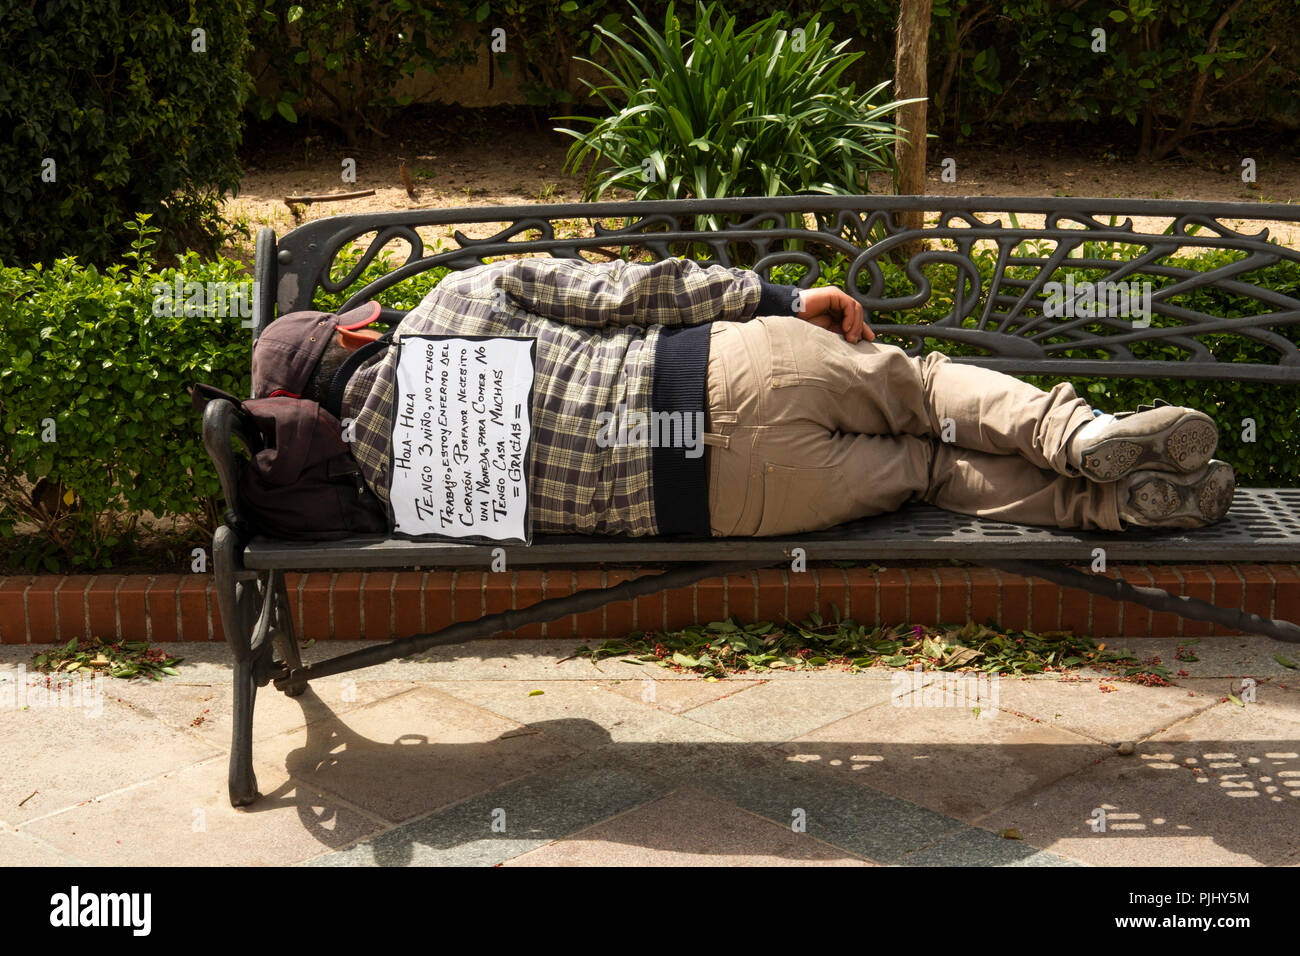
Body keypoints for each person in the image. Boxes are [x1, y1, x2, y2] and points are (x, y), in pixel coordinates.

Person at [254, 256, 1233, 538]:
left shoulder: (393, 497)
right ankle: (1083, 433)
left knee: (929, 471)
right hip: (728, 371)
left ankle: (1105, 503)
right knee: (926, 392)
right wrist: (777, 295)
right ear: (349, 334)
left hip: (737, 502)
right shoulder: (446, 303)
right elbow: (630, 292)